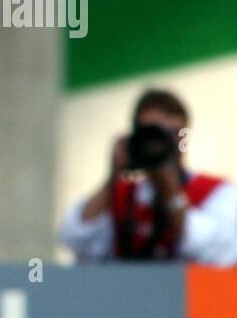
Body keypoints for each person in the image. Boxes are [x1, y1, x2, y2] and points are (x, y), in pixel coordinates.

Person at [60, 89, 237, 266]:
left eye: (173, 133)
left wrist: (170, 191)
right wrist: (113, 178)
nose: (161, 143)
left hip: (190, 292)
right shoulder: (121, 195)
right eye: (152, 133)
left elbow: (221, 254)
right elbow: (74, 239)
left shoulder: (217, 192)